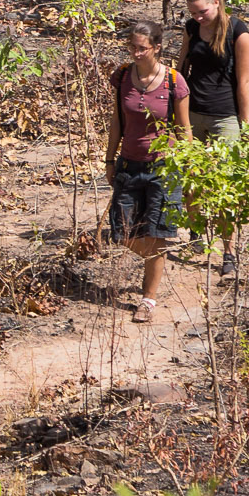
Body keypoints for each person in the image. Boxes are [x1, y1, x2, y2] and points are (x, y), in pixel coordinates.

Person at [104, 21, 190, 324]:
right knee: (122, 231)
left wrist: (189, 165)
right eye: (132, 47)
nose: (136, 53)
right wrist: (109, 160)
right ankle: (156, 260)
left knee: (158, 233)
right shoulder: (123, 76)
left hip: (164, 168)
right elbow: (117, 120)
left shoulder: (173, 81)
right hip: (129, 164)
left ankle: (148, 300)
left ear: (156, 47)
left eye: (142, 48)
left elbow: (183, 129)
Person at [181, 0, 249, 276]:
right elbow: (182, 67)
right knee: (191, 175)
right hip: (193, 113)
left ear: (217, 2)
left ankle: (228, 252)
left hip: (225, 116)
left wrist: (245, 126)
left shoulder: (238, 32)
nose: (199, 18)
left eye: (203, 12)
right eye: (194, 13)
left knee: (226, 183)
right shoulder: (191, 28)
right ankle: (196, 232)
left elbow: (244, 82)